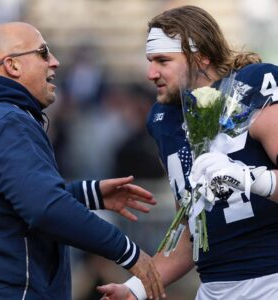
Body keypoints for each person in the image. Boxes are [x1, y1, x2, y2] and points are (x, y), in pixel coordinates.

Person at [97, 5, 278, 300]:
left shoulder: (254, 88)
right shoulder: (164, 119)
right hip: (212, 288)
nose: (150, 73)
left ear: (201, 57)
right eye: (150, 61)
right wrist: (134, 290)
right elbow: (196, 227)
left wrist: (249, 179)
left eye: (162, 60)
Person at [0, 22, 166, 300]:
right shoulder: (8, 121)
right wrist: (128, 252)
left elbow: (15, 200)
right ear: (12, 66)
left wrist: (86, 194)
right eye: (43, 53)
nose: (55, 62)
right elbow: (44, 208)